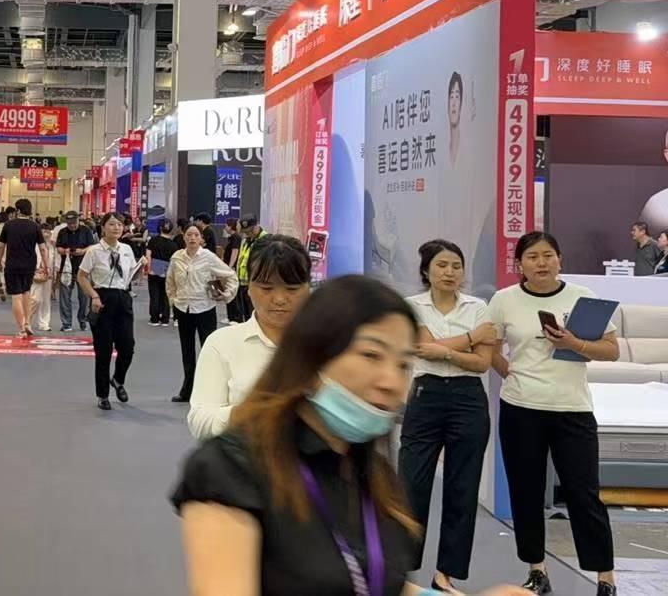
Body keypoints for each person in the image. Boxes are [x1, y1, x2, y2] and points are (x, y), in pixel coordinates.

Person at [172, 275, 530, 596]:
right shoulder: (232, 469)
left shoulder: (371, 473)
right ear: (313, 357)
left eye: (403, 364)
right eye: (371, 355)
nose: (391, 381)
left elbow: (371, 580)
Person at [490, 231, 619, 596]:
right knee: (526, 493)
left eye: (548, 255)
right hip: (520, 409)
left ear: (560, 259)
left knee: (584, 494)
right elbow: (490, 347)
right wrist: (512, 373)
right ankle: (537, 571)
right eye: (532, 257)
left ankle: (605, 577)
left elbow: (611, 350)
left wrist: (573, 343)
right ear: (519, 264)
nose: (541, 263)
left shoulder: (583, 297)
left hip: (572, 408)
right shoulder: (504, 300)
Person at [399, 240, 496, 594]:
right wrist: (470, 338)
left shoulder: (478, 307)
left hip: (469, 400)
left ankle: (445, 577)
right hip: (425, 396)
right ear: (426, 270)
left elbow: (482, 363)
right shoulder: (412, 306)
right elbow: (422, 349)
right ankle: (402, 573)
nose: (450, 272)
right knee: (411, 485)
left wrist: (446, 351)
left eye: (456, 265)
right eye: (442, 265)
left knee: (463, 489)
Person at [188, 236, 311, 440]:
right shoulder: (221, 344)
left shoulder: (329, 343)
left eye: (292, 289)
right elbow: (200, 422)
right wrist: (253, 411)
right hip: (245, 458)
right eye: (266, 288)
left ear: (308, 288)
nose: (279, 299)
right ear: (249, 288)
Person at [77, 212, 144, 411]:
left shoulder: (127, 249)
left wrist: (141, 268)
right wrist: (93, 296)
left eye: (120, 225)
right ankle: (103, 394)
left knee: (128, 347)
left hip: (123, 298)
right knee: (103, 351)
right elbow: (81, 276)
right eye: (112, 224)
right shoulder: (94, 251)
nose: (116, 228)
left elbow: (130, 275)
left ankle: (118, 379)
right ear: (103, 228)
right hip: (102, 299)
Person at [168, 224, 238, 404]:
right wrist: (173, 300)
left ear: (201, 239)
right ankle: (187, 389)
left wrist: (227, 294)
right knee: (187, 351)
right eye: (189, 234)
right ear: (183, 237)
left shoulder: (209, 257)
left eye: (196, 235)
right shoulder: (177, 257)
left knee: (209, 351)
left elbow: (230, 275)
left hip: (204, 309)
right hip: (184, 309)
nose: (192, 238)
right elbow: (170, 281)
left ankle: (211, 391)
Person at [0, 199, 51, 340]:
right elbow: (43, 249)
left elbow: (1, 246)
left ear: (18, 210)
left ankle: (21, 329)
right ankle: (28, 323)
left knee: (16, 296)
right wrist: (47, 266)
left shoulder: (8, 225)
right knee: (27, 292)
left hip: (12, 264)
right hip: (29, 265)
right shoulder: (35, 226)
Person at [55, 210, 96, 332]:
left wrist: (82, 251)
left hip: (83, 269)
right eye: (69, 223)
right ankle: (66, 323)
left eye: (74, 222)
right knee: (64, 297)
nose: (72, 225)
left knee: (84, 297)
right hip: (66, 269)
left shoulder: (86, 230)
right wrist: (65, 251)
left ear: (79, 220)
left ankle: (83, 319)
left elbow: (92, 246)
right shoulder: (62, 232)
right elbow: (58, 247)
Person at [235, 215, 269, 322]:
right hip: (243, 285)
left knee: (257, 317)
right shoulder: (246, 240)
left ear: (257, 225)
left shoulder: (266, 240)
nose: (248, 233)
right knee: (247, 317)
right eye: (245, 232)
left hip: (257, 285)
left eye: (250, 230)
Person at [146, 219, 178, 326]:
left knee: (154, 294)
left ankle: (154, 319)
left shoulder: (153, 240)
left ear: (160, 228)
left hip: (154, 269)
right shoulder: (174, 244)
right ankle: (165, 319)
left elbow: (148, 256)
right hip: (167, 270)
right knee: (166, 295)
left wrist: (148, 269)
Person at [29, 222, 55, 333]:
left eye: (48, 232)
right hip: (36, 274)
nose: (46, 234)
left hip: (48, 275)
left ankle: (44, 323)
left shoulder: (52, 246)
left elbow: (54, 261)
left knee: (46, 300)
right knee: (35, 299)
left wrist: (53, 274)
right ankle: (27, 321)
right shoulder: (34, 245)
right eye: (44, 232)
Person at [221, 219, 244, 323]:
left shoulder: (236, 238)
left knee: (233, 293)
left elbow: (235, 252)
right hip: (229, 268)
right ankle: (230, 316)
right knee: (229, 292)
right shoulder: (232, 238)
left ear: (230, 226)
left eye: (226, 225)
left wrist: (230, 267)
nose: (225, 228)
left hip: (232, 269)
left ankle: (236, 317)